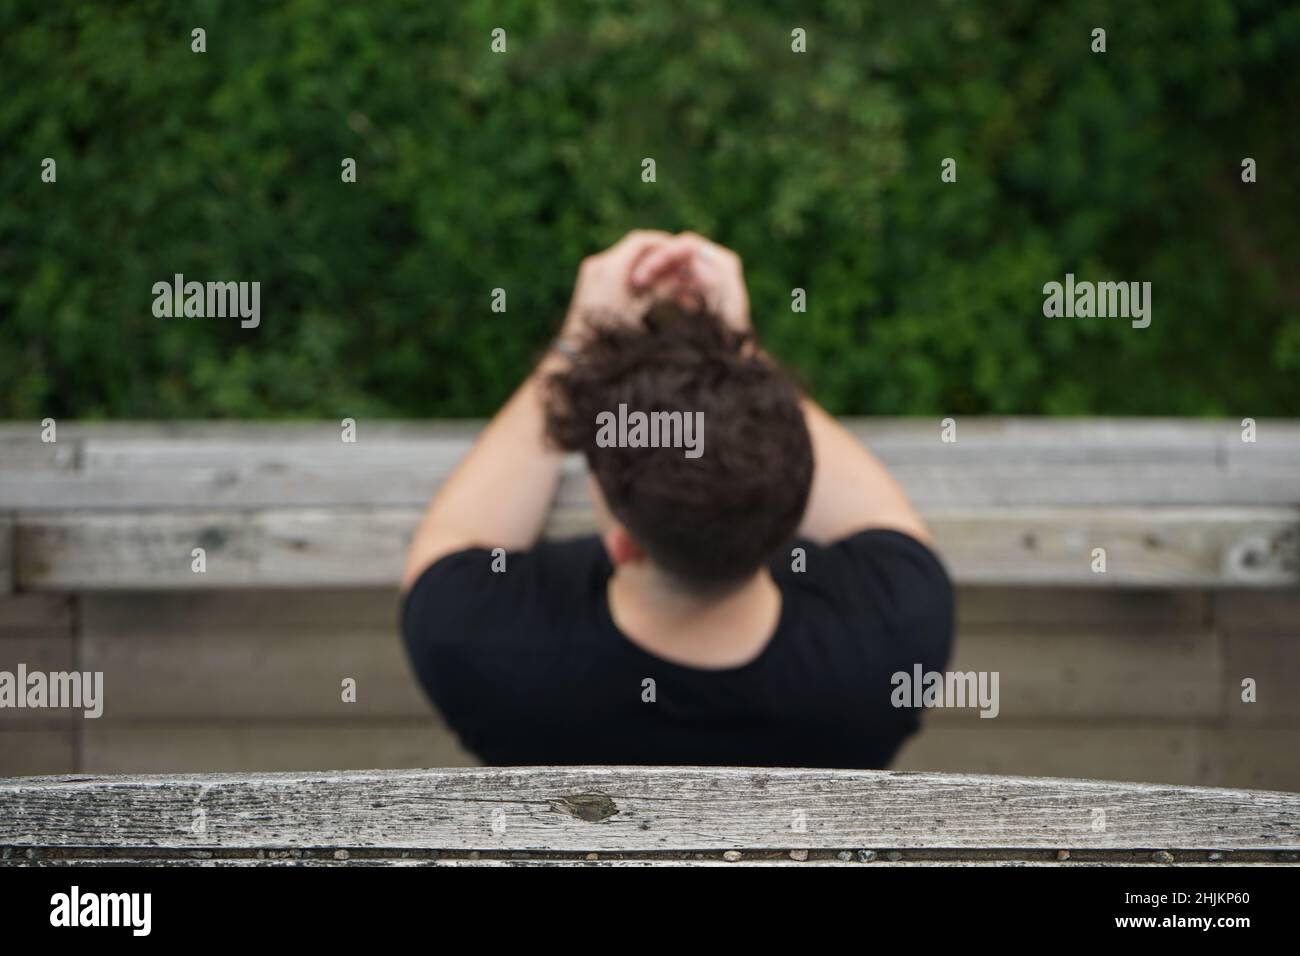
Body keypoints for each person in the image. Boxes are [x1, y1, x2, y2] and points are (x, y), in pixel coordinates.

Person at [401, 230, 953, 767]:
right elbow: (878, 514)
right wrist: (741, 352)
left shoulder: (478, 650)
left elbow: (450, 541)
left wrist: (575, 344)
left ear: (620, 545)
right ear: (791, 523)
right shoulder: (895, 637)